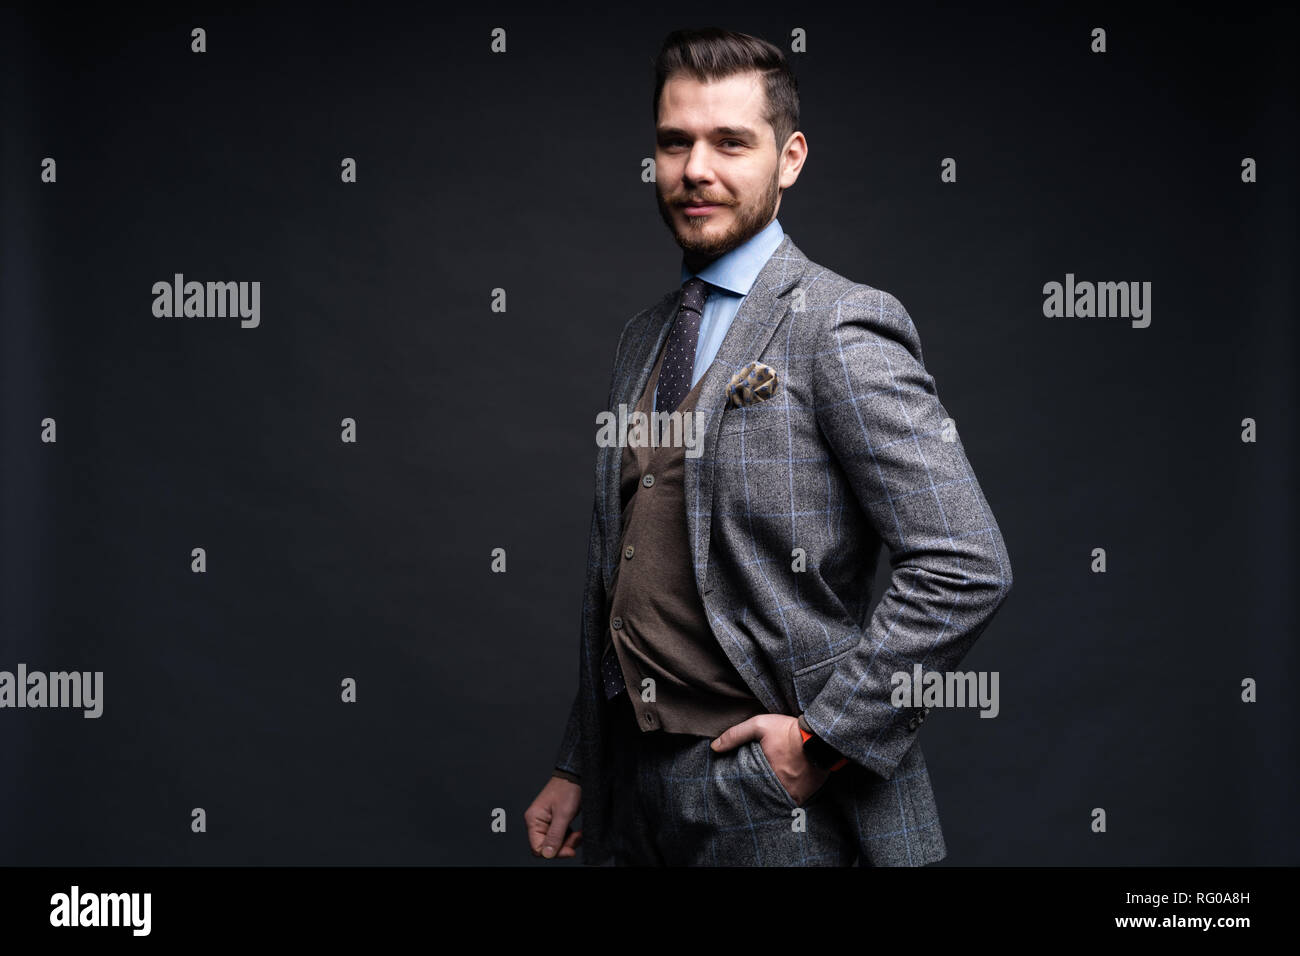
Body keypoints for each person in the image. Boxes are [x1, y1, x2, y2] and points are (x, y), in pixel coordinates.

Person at [524, 26, 1012, 866]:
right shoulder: (642, 340)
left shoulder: (838, 324)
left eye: (730, 143)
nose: (696, 171)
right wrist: (581, 762)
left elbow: (965, 564)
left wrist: (819, 746)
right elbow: (628, 574)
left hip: (772, 801)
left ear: (788, 158)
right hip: (634, 796)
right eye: (674, 143)